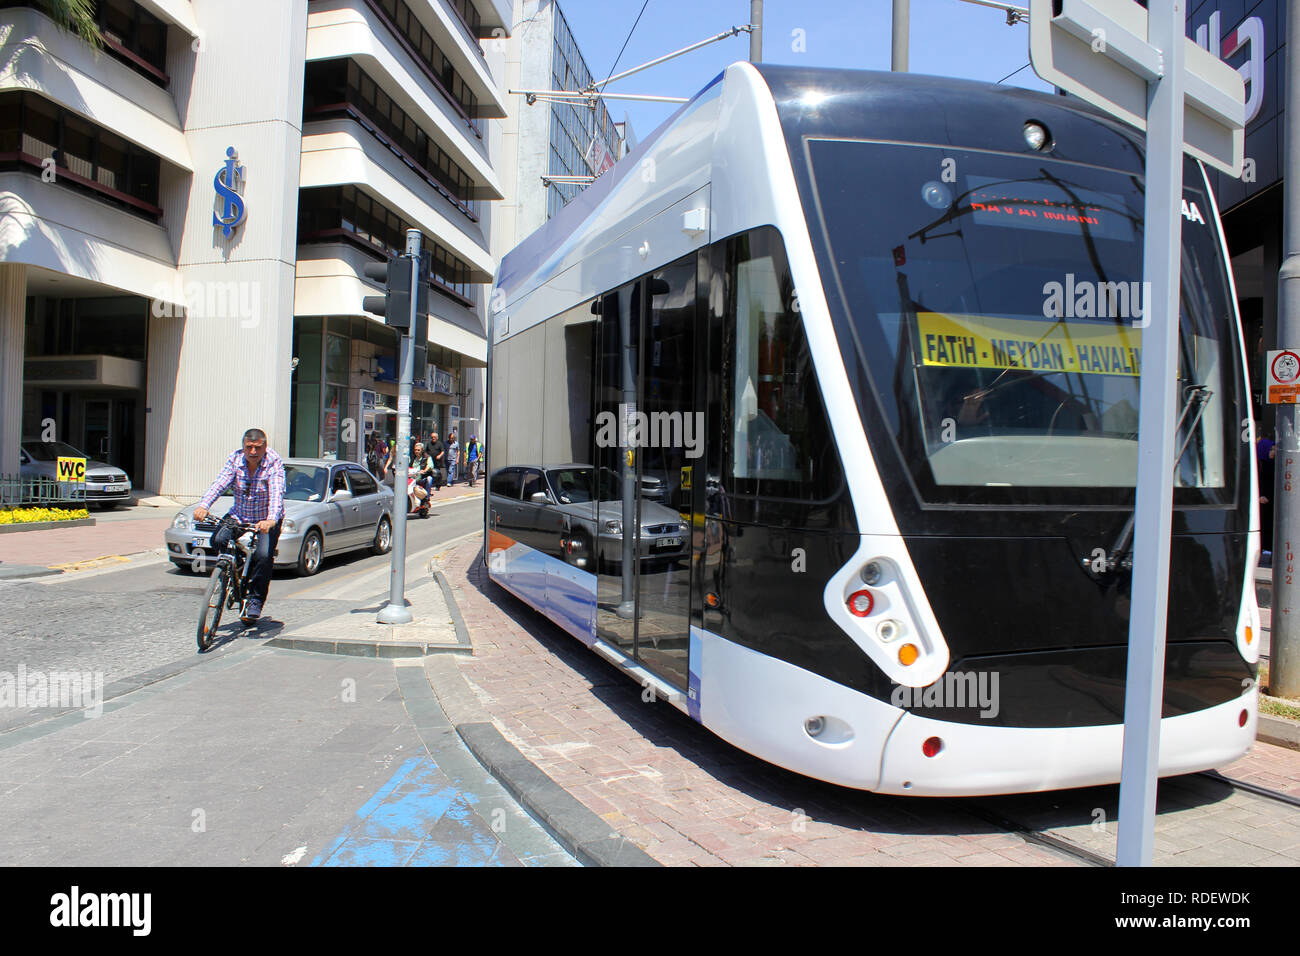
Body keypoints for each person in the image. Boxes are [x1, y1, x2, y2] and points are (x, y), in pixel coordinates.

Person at [193, 428, 285, 623]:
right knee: (218, 539)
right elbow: (219, 484)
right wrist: (203, 505)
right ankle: (239, 564)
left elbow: (277, 494)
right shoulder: (235, 460)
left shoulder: (274, 463)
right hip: (239, 514)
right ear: (243, 447)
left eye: (257, 448)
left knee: (263, 556)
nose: (253, 452)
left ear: (265, 447)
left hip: (265, 520)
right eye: (249, 447)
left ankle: (254, 600)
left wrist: (270, 519)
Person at [411, 441, 434, 513]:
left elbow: (430, 465)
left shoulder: (427, 457)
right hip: (412, 479)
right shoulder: (412, 458)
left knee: (429, 479)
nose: (416, 451)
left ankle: (426, 500)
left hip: (421, 478)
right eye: (415, 450)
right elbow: (407, 466)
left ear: (422, 450)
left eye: (418, 450)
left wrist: (424, 470)